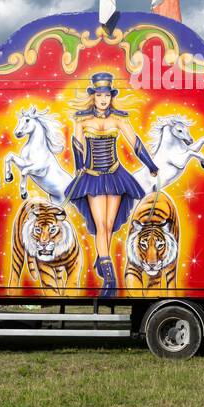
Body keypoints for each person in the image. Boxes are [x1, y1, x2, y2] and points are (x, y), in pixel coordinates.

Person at [66, 73, 158, 295]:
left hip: (115, 175)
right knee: (102, 226)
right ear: (93, 97)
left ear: (111, 97)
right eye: (99, 95)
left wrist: (150, 164)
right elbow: (77, 144)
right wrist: (79, 167)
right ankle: (110, 278)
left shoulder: (118, 119)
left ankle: (102, 257)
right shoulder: (82, 119)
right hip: (93, 176)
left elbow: (135, 144)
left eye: (106, 95)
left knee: (109, 223)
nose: (103, 99)